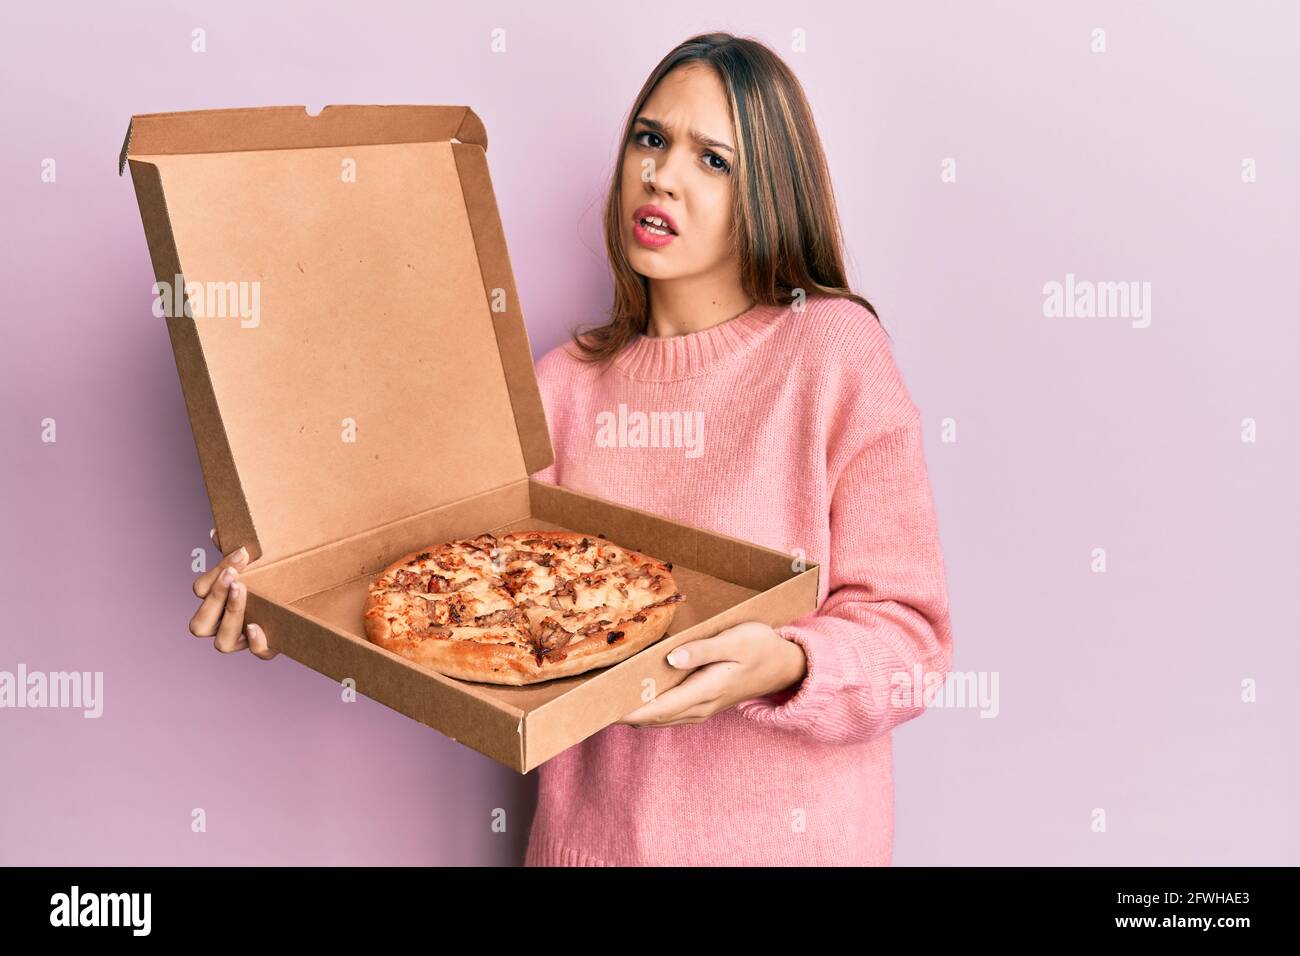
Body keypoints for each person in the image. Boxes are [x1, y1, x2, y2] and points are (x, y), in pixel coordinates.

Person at [190, 32, 953, 867]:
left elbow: (912, 641)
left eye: (713, 160)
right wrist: (289, 606)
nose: (660, 175)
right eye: (651, 139)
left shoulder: (833, 354)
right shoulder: (560, 385)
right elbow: (441, 586)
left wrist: (785, 662)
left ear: (771, 191)